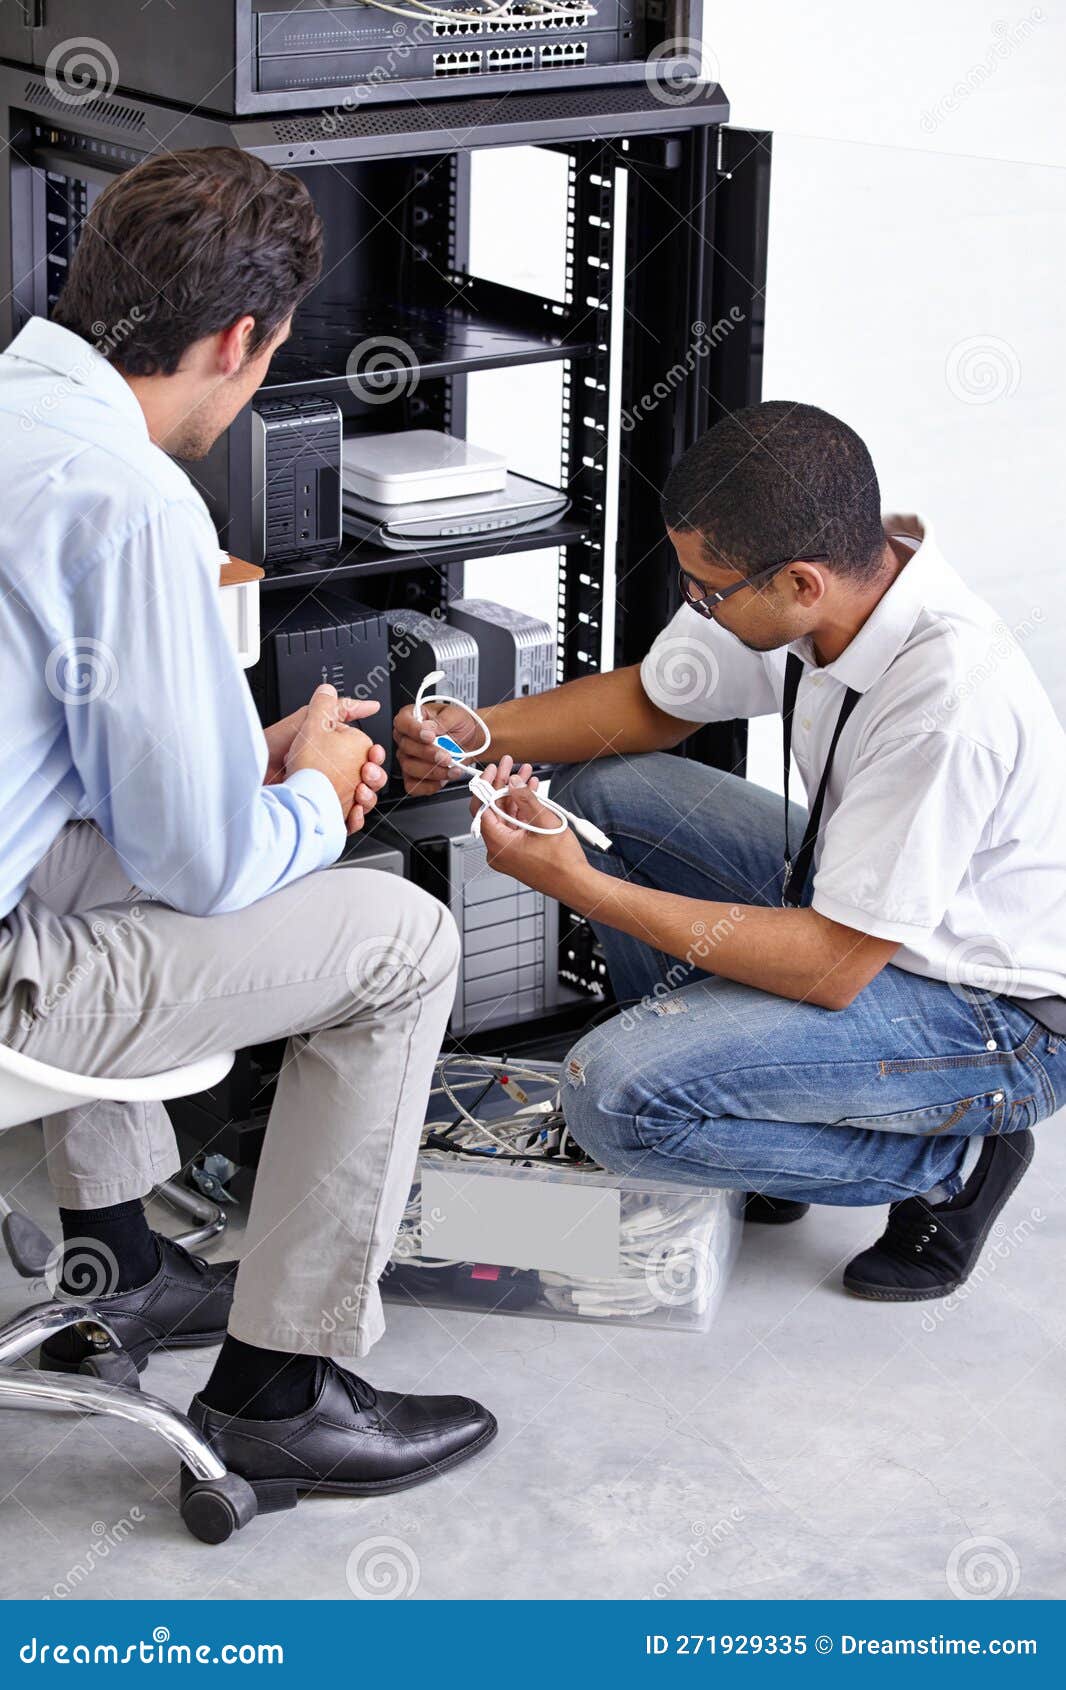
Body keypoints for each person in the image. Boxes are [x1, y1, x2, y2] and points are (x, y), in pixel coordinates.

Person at [0, 146, 495, 1507]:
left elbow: (59, 751)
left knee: (69, 842)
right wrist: (312, 801)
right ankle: (284, 1394)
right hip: (5, 983)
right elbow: (203, 861)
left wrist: (239, 761)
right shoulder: (132, 496)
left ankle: (126, 1260)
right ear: (238, 339)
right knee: (403, 938)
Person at [394, 402, 1066, 1303]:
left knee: (612, 1097)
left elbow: (832, 967)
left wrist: (579, 886)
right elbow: (655, 702)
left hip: (989, 1011)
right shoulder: (840, 590)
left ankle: (954, 1166)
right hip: (864, 912)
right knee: (610, 794)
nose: (693, 606)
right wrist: (471, 734)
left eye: (707, 591)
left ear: (798, 583)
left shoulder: (945, 705)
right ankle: (735, 1102)